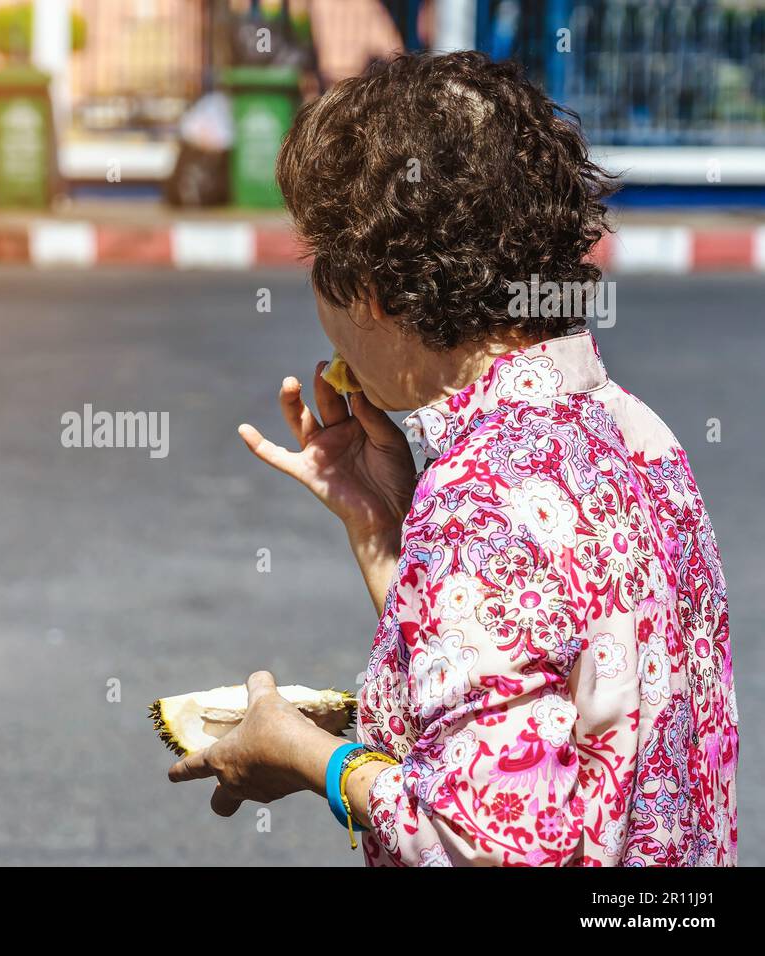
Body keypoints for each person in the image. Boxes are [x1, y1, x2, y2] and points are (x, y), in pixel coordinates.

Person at [168, 51, 737, 866]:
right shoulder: (635, 432)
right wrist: (382, 533)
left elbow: (483, 845)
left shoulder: (479, 498)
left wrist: (304, 754)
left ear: (371, 288)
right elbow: (549, 711)